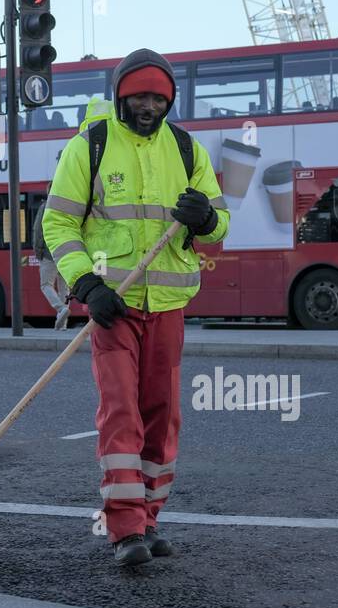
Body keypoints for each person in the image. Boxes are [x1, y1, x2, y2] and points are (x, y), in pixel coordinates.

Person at [42, 49, 229, 567]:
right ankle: (125, 529)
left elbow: (220, 231)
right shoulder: (91, 146)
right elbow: (58, 224)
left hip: (168, 305)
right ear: (121, 95)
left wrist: (205, 218)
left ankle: (149, 518)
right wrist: (85, 284)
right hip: (112, 307)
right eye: (139, 96)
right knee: (121, 412)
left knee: (162, 415)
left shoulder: (188, 149)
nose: (148, 105)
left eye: (157, 98)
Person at [33, 198, 70, 331]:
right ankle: (63, 324)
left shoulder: (45, 206)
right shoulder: (67, 204)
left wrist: (38, 251)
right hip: (65, 252)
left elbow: (38, 230)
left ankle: (61, 309)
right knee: (64, 288)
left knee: (46, 285)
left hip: (50, 253)